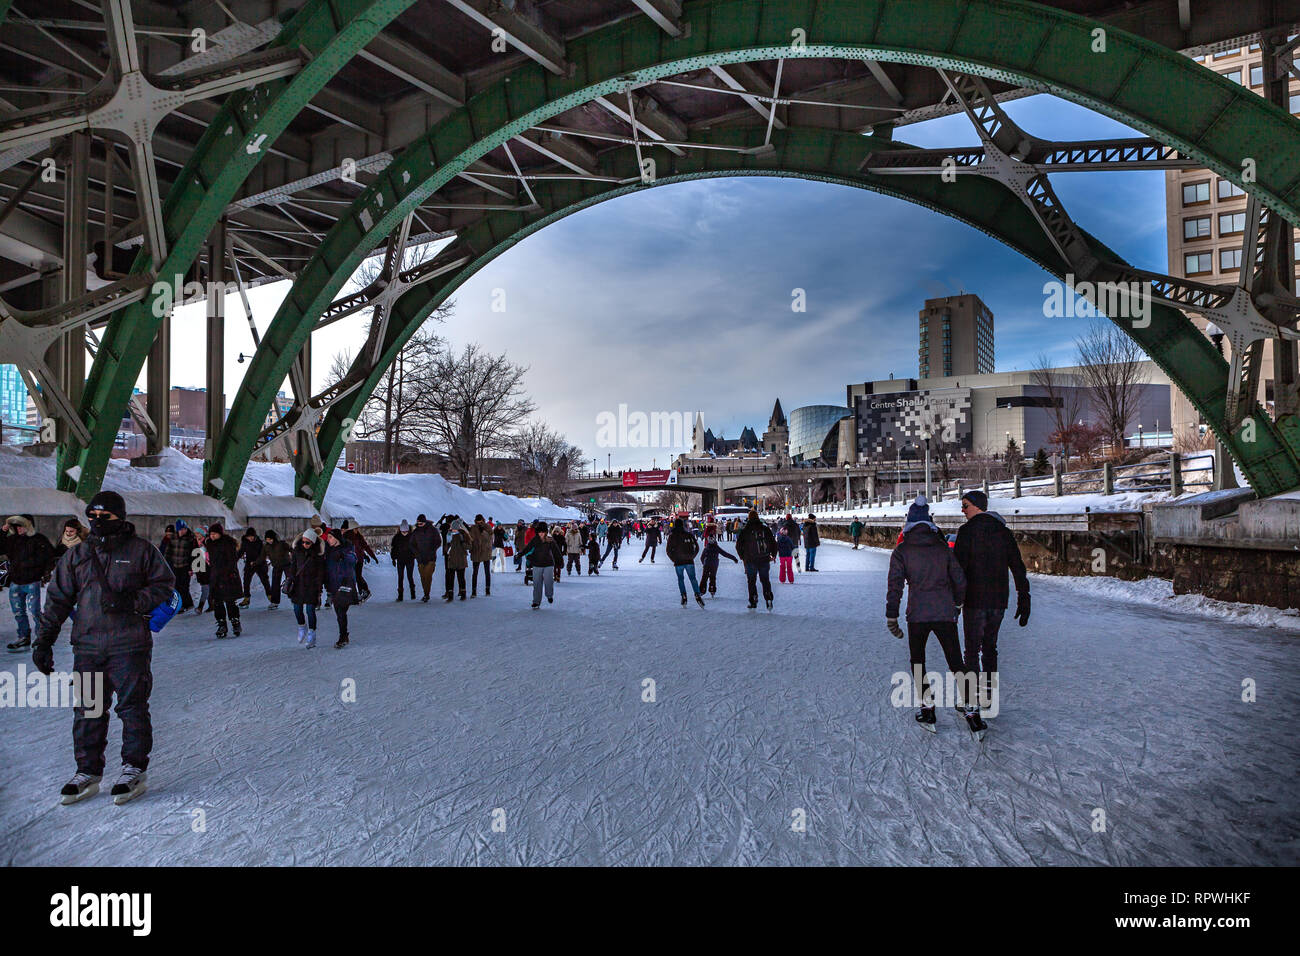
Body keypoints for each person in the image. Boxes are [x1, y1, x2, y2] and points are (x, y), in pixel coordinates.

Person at [32, 491, 174, 806]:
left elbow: (164, 584)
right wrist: (44, 640)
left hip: (129, 645)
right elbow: (57, 599)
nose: (96, 522)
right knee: (88, 710)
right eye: (92, 516)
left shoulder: (141, 551)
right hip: (88, 646)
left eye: (104, 517)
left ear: (119, 518)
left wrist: (132, 602)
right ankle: (87, 771)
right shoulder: (78, 555)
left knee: (131, 707)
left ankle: (133, 767)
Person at [885, 494, 983, 734]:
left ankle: (928, 709)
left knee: (918, 661)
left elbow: (895, 586)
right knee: (955, 661)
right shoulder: (943, 549)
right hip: (943, 612)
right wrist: (957, 604)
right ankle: (971, 707)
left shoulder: (902, 551)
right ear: (929, 523)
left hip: (917, 613)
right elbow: (960, 580)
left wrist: (891, 616)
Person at [953, 490, 1030, 714]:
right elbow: (1018, 566)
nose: (962, 510)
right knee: (989, 648)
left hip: (974, 600)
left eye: (965, 506)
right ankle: (987, 697)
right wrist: (1024, 597)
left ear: (977, 506)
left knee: (971, 650)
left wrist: (955, 602)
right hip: (998, 600)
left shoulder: (966, 532)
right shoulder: (1003, 532)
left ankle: (971, 699)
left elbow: (958, 571)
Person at [3, 514, 55, 652]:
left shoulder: (39, 539)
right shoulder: (12, 540)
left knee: (35, 611)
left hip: (32, 581)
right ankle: (23, 637)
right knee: (18, 612)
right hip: (16, 582)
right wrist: (3, 531)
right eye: (16, 526)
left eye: (21, 525)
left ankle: (41, 638)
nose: (18, 529)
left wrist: (43, 573)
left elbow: (49, 556)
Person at [287, 528, 325, 648]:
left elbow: (320, 574)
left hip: (311, 587)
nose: (304, 544)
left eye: (307, 542)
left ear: (313, 543)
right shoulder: (297, 552)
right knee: (297, 609)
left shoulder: (317, 556)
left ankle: (312, 634)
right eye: (303, 542)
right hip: (298, 586)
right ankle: (302, 627)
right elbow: (293, 567)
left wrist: (319, 589)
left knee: (310, 611)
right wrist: (291, 579)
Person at [322, 526, 358, 648]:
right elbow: (327, 568)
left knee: (341, 610)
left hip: (345, 583)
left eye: (330, 537)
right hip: (333, 584)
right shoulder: (328, 551)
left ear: (337, 538)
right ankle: (343, 635)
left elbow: (353, 559)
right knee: (339, 612)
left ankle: (343, 636)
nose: (328, 539)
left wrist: (343, 556)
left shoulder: (347, 548)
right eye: (328, 537)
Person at [205, 524, 242, 638]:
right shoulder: (210, 545)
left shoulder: (227, 544)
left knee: (230, 601)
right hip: (216, 577)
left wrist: (227, 573)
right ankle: (221, 624)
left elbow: (232, 561)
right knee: (217, 602)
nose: (212, 536)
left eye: (214, 534)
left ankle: (235, 622)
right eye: (211, 534)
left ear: (220, 534)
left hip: (228, 577)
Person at [735, 509, 777, 610]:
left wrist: (742, 556)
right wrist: (773, 554)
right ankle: (768, 598)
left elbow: (738, 545)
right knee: (765, 580)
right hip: (764, 558)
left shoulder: (746, 530)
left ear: (749, 518)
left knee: (751, 581)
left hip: (750, 559)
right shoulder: (765, 529)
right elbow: (773, 543)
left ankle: (753, 599)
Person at [666, 518, 706, 607]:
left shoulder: (672, 536)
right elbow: (697, 546)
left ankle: (683, 596)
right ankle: (697, 594)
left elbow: (668, 550)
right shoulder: (689, 534)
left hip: (678, 561)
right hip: (689, 560)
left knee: (681, 579)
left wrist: (674, 559)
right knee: (693, 578)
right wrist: (692, 556)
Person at [162, 520, 197, 611]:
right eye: (180, 530)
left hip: (185, 565)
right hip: (175, 565)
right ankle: (181, 605)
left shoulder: (190, 538)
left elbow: (193, 554)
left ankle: (187, 604)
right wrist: (165, 562)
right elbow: (168, 551)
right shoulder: (173, 538)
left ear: (186, 529)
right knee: (176, 586)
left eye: (183, 529)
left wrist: (191, 568)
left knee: (184, 586)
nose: (181, 532)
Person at [519, 521, 555, 608]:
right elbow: (528, 548)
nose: (541, 534)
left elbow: (556, 551)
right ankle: (536, 601)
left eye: (543, 532)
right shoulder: (535, 539)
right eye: (540, 532)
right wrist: (520, 554)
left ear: (546, 532)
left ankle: (549, 595)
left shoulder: (550, 540)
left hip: (548, 564)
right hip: (537, 563)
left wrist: (560, 561)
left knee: (548, 581)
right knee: (537, 583)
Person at [409, 514, 441, 602]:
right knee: (423, 577)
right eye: (418, 523)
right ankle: (425, 593)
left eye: (421, 523)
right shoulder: (415, 532)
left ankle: (427, 594)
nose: (419, 525)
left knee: (428, 576)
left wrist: (432, 550)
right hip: (420, 558)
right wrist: (416, 554)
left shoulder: (433, 530)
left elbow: (438, 541)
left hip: (430, 558)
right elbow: (411, 544)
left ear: (425, 522)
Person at [236, 526, 270, 608]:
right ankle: (246, 599)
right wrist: (234, 559)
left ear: (254, 536)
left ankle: (270, 597)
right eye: (249, 537)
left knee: (265, 580)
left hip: (260, 564)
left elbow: (263, 554)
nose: (250, 538)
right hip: (249, 564)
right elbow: (240, 552)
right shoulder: (245, 542)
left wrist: (257, 562)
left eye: (252, 537)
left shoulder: (259, 542)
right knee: (246, 581)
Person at [442, 519, 469, 601]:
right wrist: (447, 546)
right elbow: (446, 548)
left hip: (461, 560)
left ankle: (463, 593)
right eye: (452, 528)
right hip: (452, 560)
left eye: (455, 529)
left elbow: (469, 546)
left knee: (461, 578)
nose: (453, 530)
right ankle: (450, 595)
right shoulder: (449, 535)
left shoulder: (463, 535)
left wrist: (463, 542)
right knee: (450, 578)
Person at [264, 529, 292, 609]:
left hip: (287, 564)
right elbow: (262, 556)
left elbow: (291, 549)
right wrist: (255, 563)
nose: (269, 541)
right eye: (267, 539)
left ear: (274, 538)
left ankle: (293, 598)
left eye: (270, 539)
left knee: (290, 581)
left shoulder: (281, 544)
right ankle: (275, 602)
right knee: (275, 583)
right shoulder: (267, 547)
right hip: (276, 566)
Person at [390, 519, 416, 601]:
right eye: (403, 532)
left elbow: (416, 548)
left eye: (406, 531)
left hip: (410, 560)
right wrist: (393, 559)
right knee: (400, 577)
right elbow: (393, 549)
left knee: (410, 576)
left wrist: (415, 556)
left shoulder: (412, 537)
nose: (404, 533)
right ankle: (400, 595)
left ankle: (413, 593)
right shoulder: (396, 538)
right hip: (400, 560)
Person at [469, 514, 493, 597]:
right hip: (476, 552)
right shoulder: (473, 528)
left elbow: (490, 539)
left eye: (480, 521)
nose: (479, 523)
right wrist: (471, 548)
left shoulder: (487, 527)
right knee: (475, 572)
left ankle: (487, 589)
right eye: (478, 521)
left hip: (485, 551)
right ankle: (474, 591)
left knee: (487, 572)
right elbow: (470, 539)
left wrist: (483, 532)